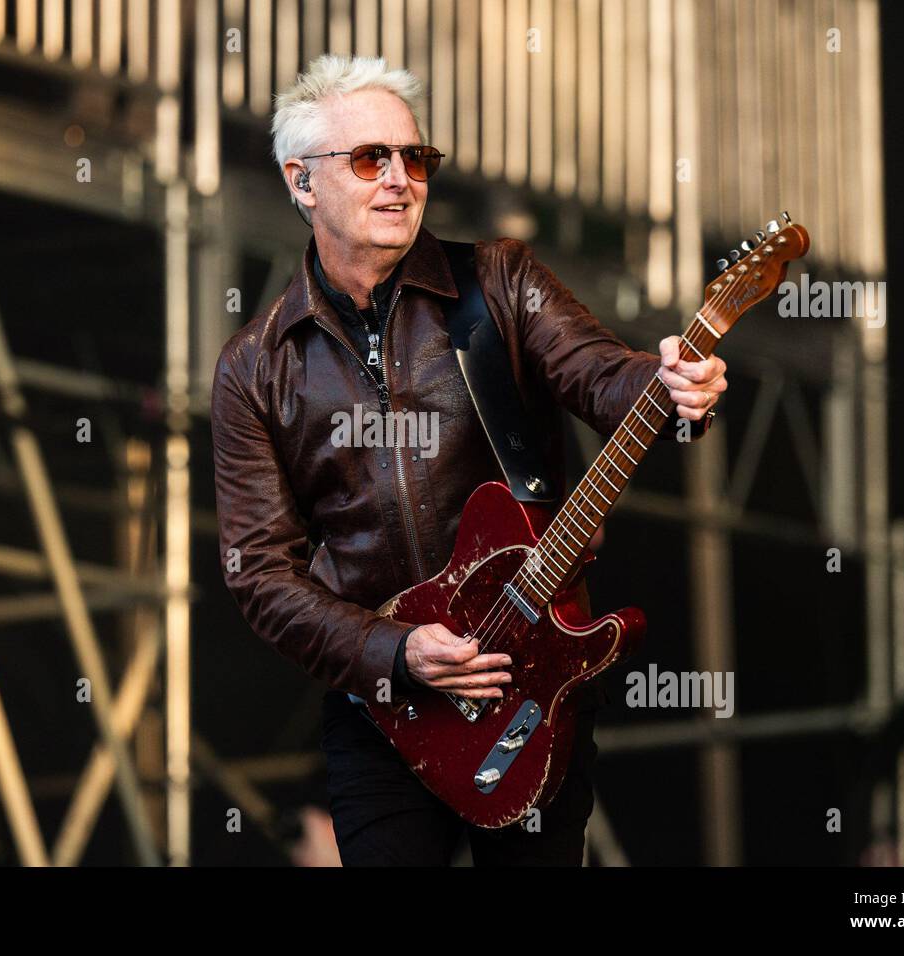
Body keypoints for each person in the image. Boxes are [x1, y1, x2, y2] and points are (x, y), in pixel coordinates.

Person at [211, 54, 726, 865]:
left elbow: (605, 379)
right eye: (369, 159)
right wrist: (397, 653)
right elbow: (259, 574)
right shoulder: (256, 366)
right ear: (302, 183)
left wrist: (671, 385)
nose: (399, 180)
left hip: (532, 676)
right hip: (382, 712)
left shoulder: (497, 282)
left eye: (415, 158)